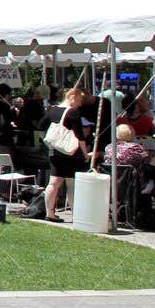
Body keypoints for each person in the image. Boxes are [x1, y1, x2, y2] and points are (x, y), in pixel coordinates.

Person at [42, 86, 91, 223]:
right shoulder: (73, 113)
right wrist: (85, 153)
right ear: (72, 97)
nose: (80, 104)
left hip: (54, 150)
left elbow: (41, 125)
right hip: (70, 152)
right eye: (80, 100)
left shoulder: (53, 110)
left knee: (53, 182)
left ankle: (49, 212)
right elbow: (79, 135)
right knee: (71, 183)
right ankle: (76, 214)